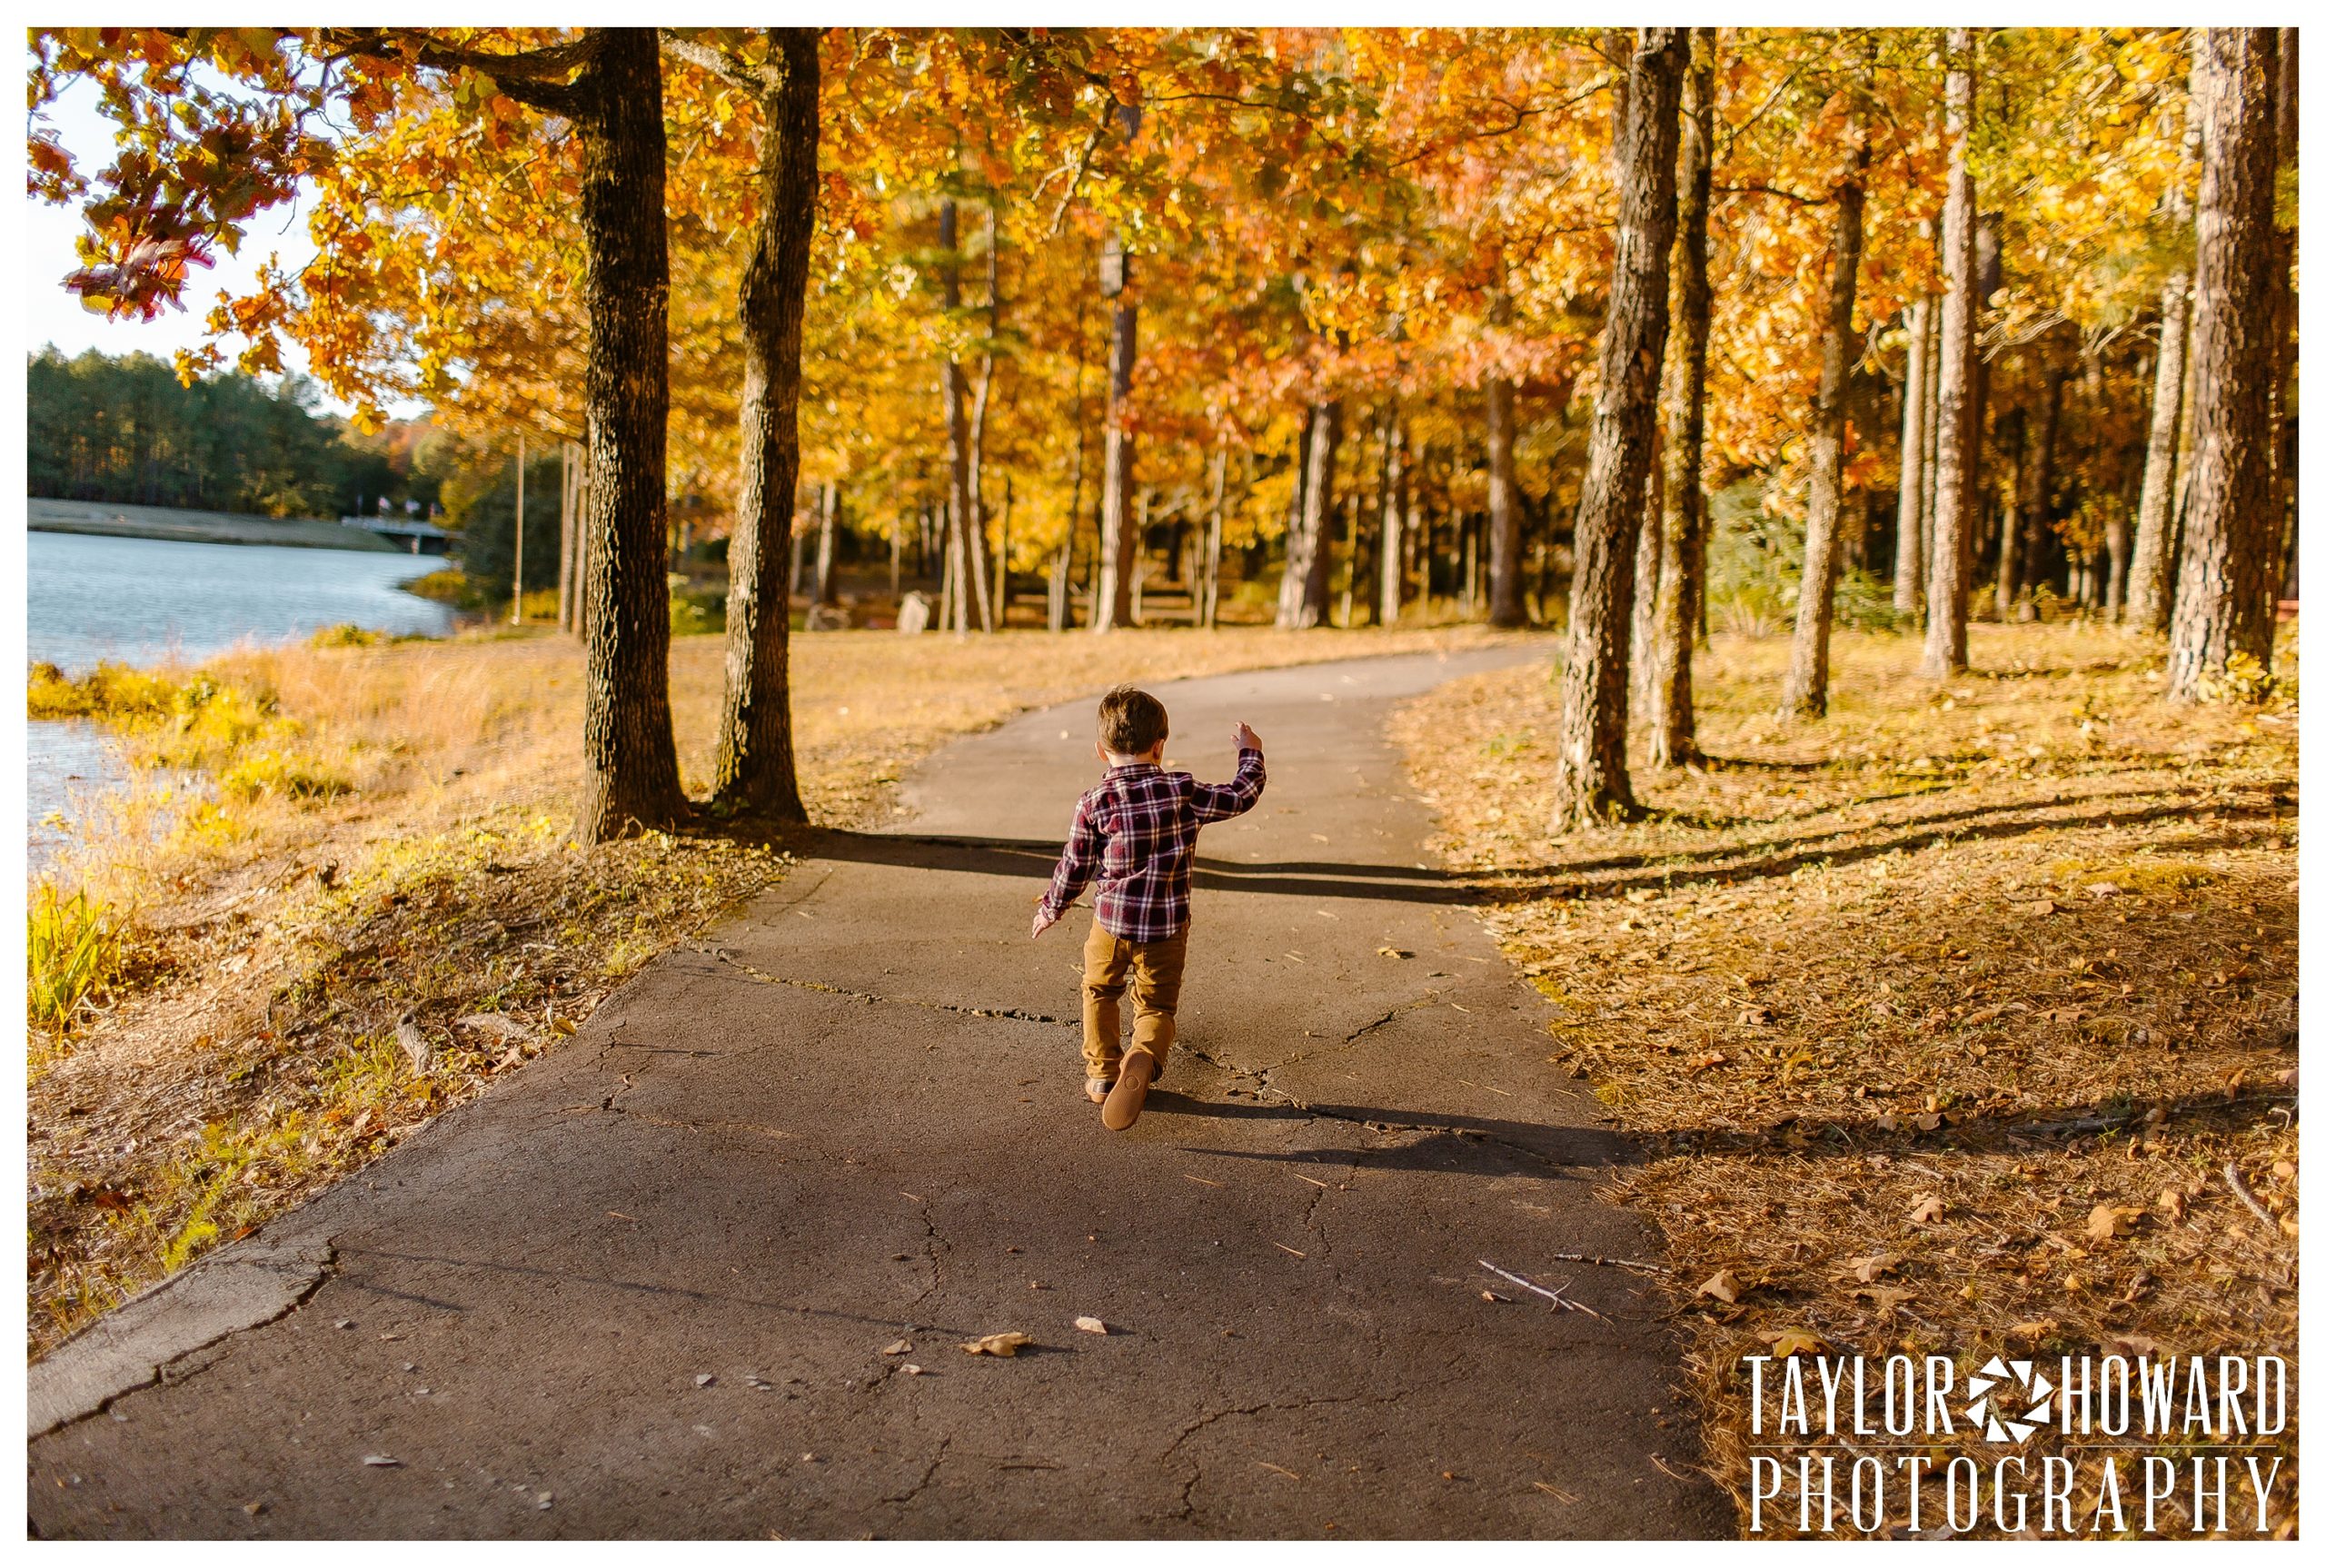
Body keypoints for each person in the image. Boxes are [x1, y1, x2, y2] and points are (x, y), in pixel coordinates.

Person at [1030, 685, 1266, 1130]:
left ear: (1101, 750)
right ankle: (1144, 1054)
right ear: (1160, 747)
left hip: (1110, 924)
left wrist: (1051, 908)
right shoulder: (1182, 789)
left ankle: (1102, 1075)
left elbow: (1075, 864)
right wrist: (1250, 754)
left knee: (1099, 991)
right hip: (1166, 928)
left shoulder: (1095, 801)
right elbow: (1240, 796)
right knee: (1156, 1007)